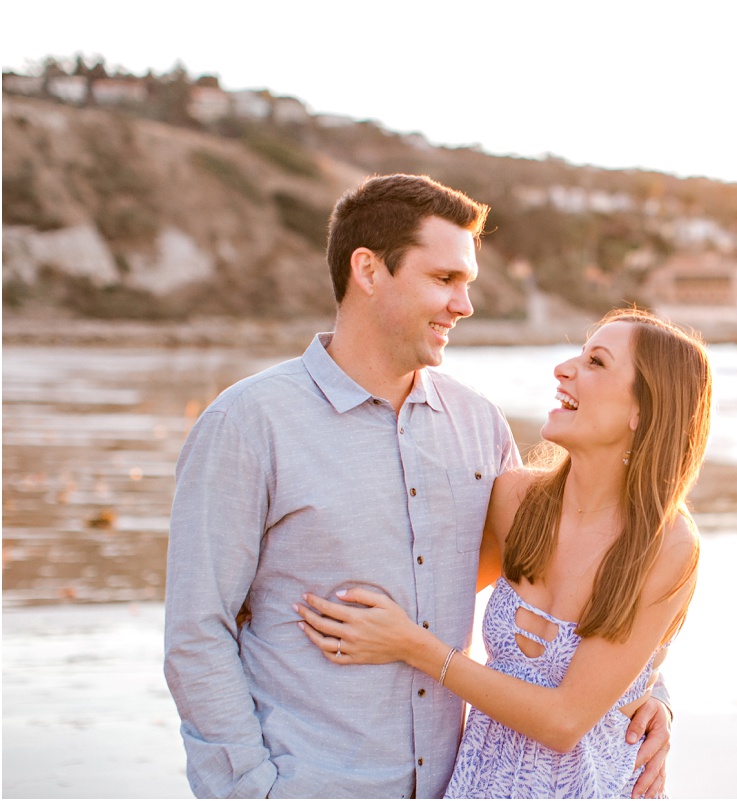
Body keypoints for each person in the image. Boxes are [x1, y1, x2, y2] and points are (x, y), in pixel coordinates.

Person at [163, 174, 672, 799]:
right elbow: (197, 632)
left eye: (468, 284)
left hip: (457, 786)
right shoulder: (248, 424)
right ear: (369, 270)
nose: (465, 305)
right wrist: (250, 790)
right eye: (444, 279)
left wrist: (650, 694)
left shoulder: (478, 424)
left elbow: (574, 576)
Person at [294, 308, 713, 798]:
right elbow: (426, 590)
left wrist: (414, 647)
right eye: (579, 354)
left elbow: (565, 721)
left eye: (597, 362)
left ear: (643, 410)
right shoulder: (515, 500)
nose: (565, 368)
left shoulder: (667, 545)